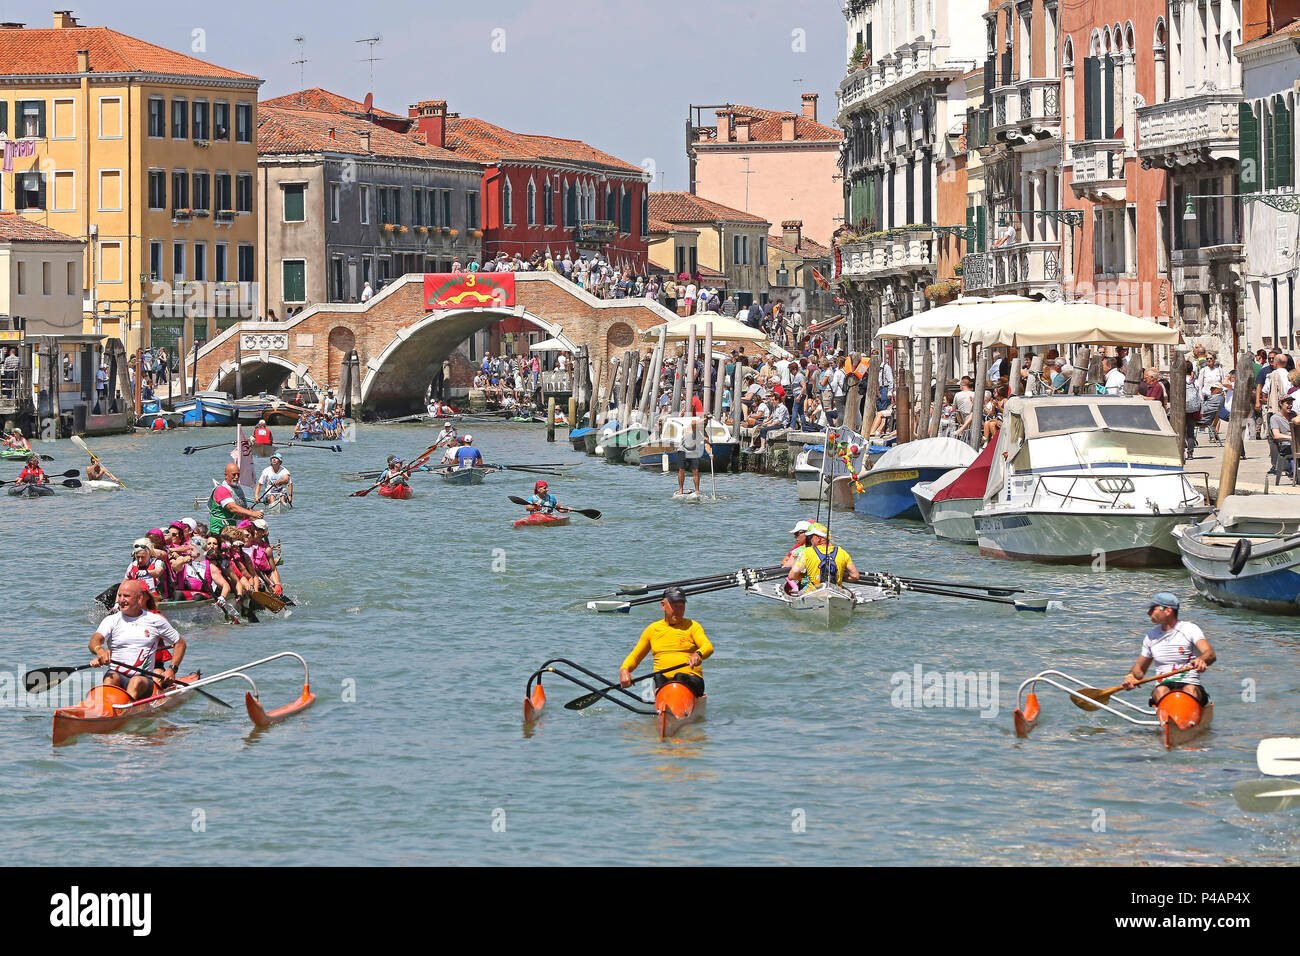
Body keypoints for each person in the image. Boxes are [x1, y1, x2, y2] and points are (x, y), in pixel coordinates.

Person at [89, 580, 186, 701]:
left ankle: (124, 711)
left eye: (127, 596)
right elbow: (94, 640)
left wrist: (172, 669)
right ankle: (106, 708)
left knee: (136, 681)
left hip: (144, 679)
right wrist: (99, 650)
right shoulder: (111, 620)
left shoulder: (155, 620)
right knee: (110, 678)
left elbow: (180, 643)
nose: (121, 600)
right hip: (118, 675)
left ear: (139, 598)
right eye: (119, 596)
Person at [1120, 592, 1216, 706]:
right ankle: (1170, 718)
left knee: (1190, 689)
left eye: (1152, 609)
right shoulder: (1151, 636)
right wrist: (1131, 677)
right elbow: (1140, 669)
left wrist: (1202, 659)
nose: (1148, 613)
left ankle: (1184, 717)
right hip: (1163, 687)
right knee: (1161, 690)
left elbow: (1210, 654)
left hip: (1190, 683)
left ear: (1168, 611)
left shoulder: (1189, 629)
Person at [618, 586, 713, 699]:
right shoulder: (652, 630)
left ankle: (672, 704)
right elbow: (635, 656)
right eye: (675, 606)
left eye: (681, 607)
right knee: (658, 677)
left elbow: (708, 646)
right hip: (663, 683)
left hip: (691, 680)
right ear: (663, 605)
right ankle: (664, 707)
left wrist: (698, 654)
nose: (678, 611)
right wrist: (624, 670)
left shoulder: (693, 626)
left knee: (679, 677)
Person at [784, 523, 860, 592]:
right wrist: (839, 576)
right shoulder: (842, 552)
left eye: (811, 537)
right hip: (835, 592)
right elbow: (855, 576)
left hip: (813, 593)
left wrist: (804, 575)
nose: (810, 540)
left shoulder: (807, 552)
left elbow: (791, 576)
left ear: (818, 538)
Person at [208, 462, 263, 534]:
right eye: (234, 474)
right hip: (219, 530)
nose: (236, 477)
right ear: (226, 475)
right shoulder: (221, 490)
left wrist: (252, 514)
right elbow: (232, 508)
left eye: (238, 474)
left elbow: (242, 509)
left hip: (234, 528)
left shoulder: (238, 489)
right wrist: (252, 514)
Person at [677, 416, 713, 496]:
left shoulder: (705, 435)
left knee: (696, 471)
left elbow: (707, 445)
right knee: (681, 470)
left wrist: (710, 453)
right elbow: (693, 423)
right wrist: (706, 418)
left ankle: (697, 490)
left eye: (705, 424)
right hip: (683, 449)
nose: (704, 425)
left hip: (693, 451)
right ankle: (680, 489)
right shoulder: (693, 427)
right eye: (703, 424)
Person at [1268, 394, 1298, 479]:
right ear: (1281, 404)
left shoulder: (1294, 414)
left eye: (1291, 403)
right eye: (1288, 403)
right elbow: (1276, 435)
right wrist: (1291, 438)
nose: (1290, 405)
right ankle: (1294, 472)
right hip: (1286, 444)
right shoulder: (1275, 418)